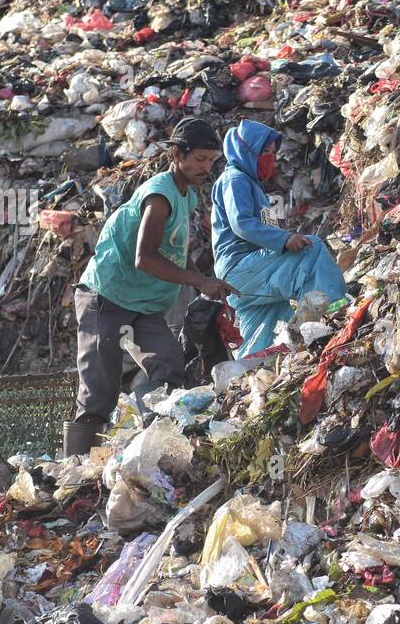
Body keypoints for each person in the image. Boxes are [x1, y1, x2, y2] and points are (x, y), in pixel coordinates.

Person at [65, 117, 234, 456]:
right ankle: (75, 469)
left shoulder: (184, 196)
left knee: (169, 364)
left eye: (211, 160)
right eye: (199, 159)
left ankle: (147, 440)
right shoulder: (159, 196)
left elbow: (173, 252)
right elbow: (145, 257)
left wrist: (205, 282)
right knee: (100, 388)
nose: (206, 167)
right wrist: (199, 280)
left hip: (143, 305)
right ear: (176, 154)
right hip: (106, 296)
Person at [211, 120, 346, 357]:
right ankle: (336, 312)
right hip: (240, 269)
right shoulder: (235, 179)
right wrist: (284, 239)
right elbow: (241, 223)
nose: (269, 159)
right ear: (247, 150)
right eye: (265, 152)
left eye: (273, 153)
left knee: (267, 331)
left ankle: (246, 380)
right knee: (311, 247)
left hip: (248, 282)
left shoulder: (251, 184)